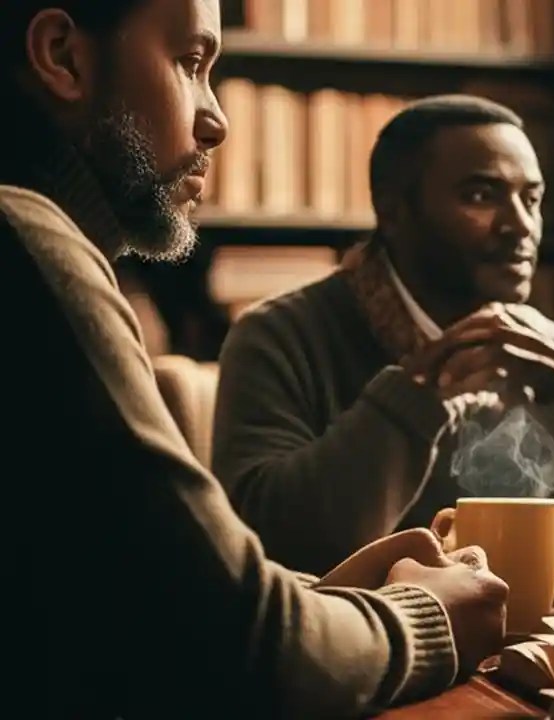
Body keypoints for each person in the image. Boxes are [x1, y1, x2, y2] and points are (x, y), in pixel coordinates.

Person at [2, 1, 507, 715]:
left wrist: (310, 594)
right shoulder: (31, 247)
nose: (218, 120)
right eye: (191, 64)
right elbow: (253, 651)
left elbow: (130, 604)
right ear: (63, 56)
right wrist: (428, 617)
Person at [211, 95, 554, 575]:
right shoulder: (280, 337)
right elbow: (267, 546)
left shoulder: (550, 355)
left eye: (532, 199)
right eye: (481, 196)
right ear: (392, 212)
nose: (520, 225)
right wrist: (416, 398)